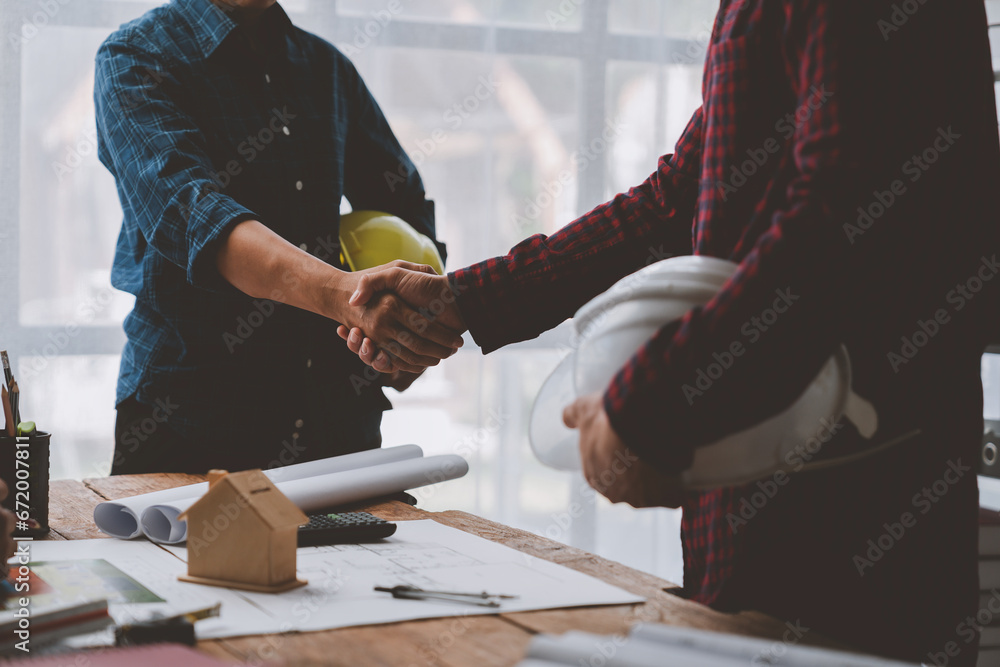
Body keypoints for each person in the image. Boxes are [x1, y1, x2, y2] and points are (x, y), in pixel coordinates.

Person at [336, 1, 1000, 663]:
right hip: (759, 528)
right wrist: (464, 298)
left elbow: (843, 208)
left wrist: (649, 406)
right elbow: (677, 198)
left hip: (851, 524)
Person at [94, 0, 463, 475]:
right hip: (189, 424)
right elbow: (196, 220)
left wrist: (409, 329)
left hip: (335, 423)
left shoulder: (326, 67)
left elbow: (405, 204)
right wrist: (352, 299)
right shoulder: (136, 56)